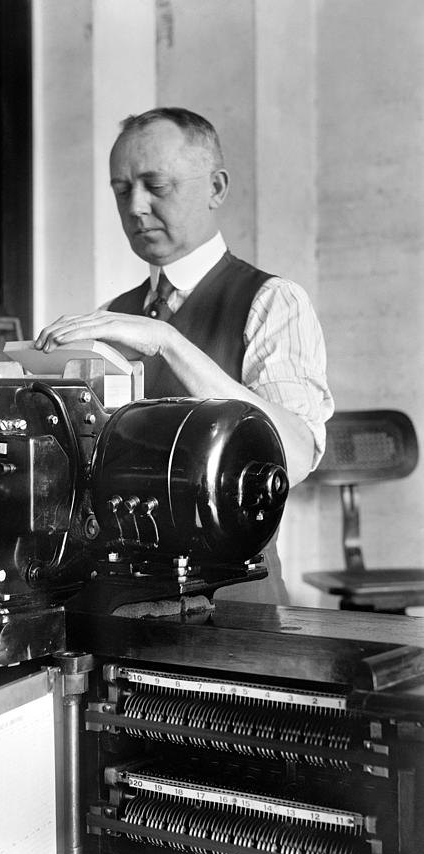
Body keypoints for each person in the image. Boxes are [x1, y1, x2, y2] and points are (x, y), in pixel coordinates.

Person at [34, 107, 333, 603]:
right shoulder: (113, 314)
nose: (136, 206)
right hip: (123, 605)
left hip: (236, 606)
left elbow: (296, 457)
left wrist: (167, 341)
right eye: (121, 189)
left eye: (157, 185)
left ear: (216, 188)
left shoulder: (273, 302)